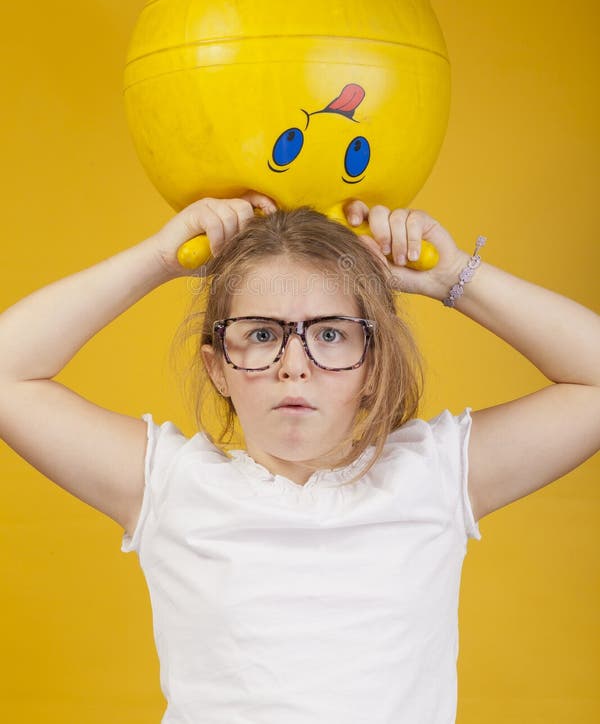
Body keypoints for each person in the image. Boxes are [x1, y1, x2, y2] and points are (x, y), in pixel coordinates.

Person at [0, 192, 598, 724]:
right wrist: (161, 259)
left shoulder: (435, 475)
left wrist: (452, 279)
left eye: (331, 334)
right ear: (218, 368)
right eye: (262, 334)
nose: (294, 364)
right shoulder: (169, 485)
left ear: (374, 363)